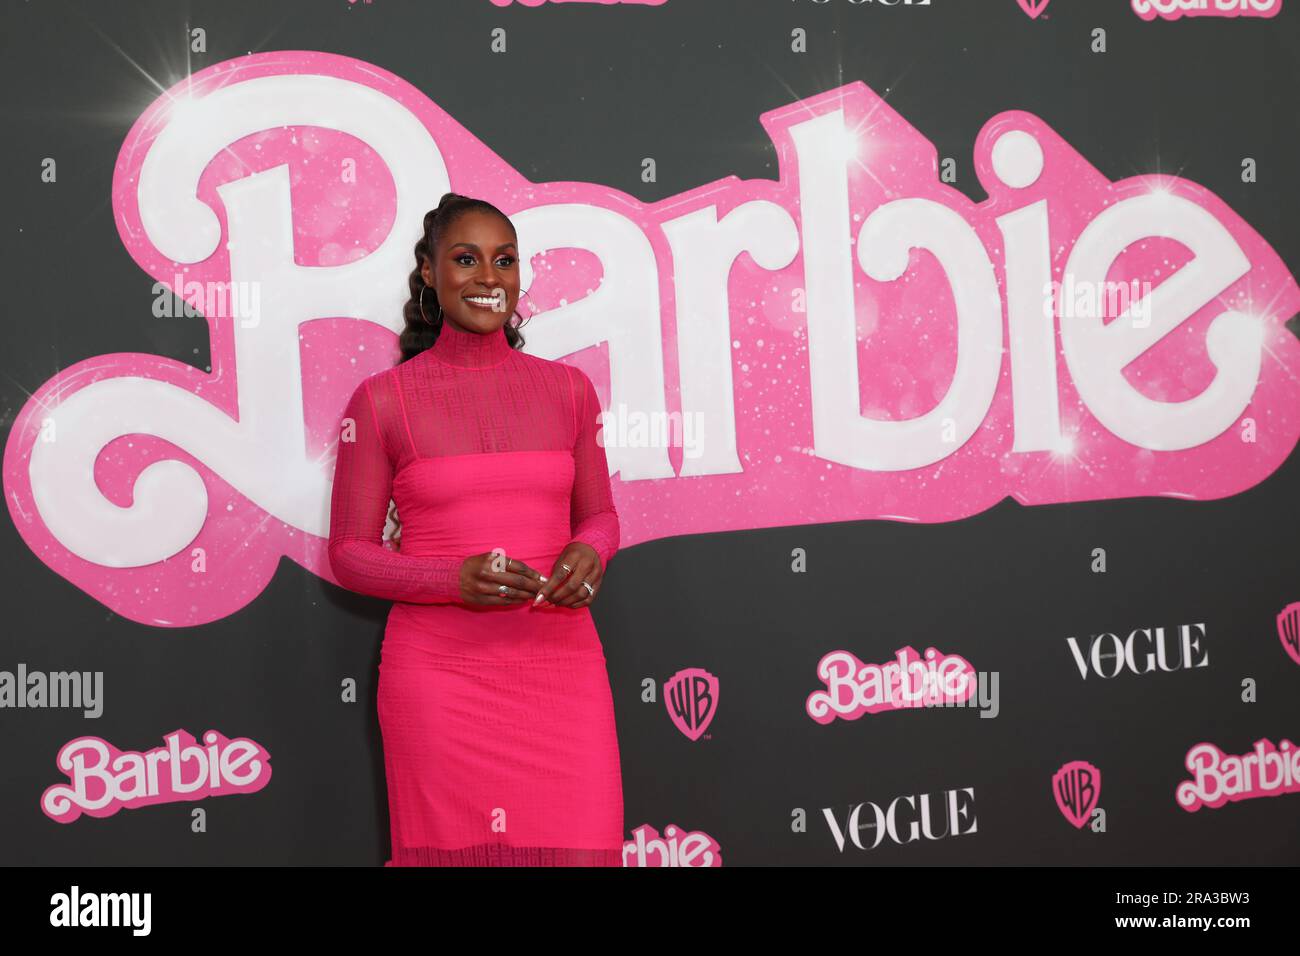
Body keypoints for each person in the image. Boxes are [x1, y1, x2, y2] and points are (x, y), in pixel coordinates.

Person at [328, 193, 624, 866]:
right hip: (439, 679)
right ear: (429, 273)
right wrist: (449, 578)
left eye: (505, 260)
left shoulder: (570, 391)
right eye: (465, 259)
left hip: (561, 670)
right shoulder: (380, 402)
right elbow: (348, 554)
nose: (488, 277)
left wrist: (590, 548)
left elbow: (601, 514)